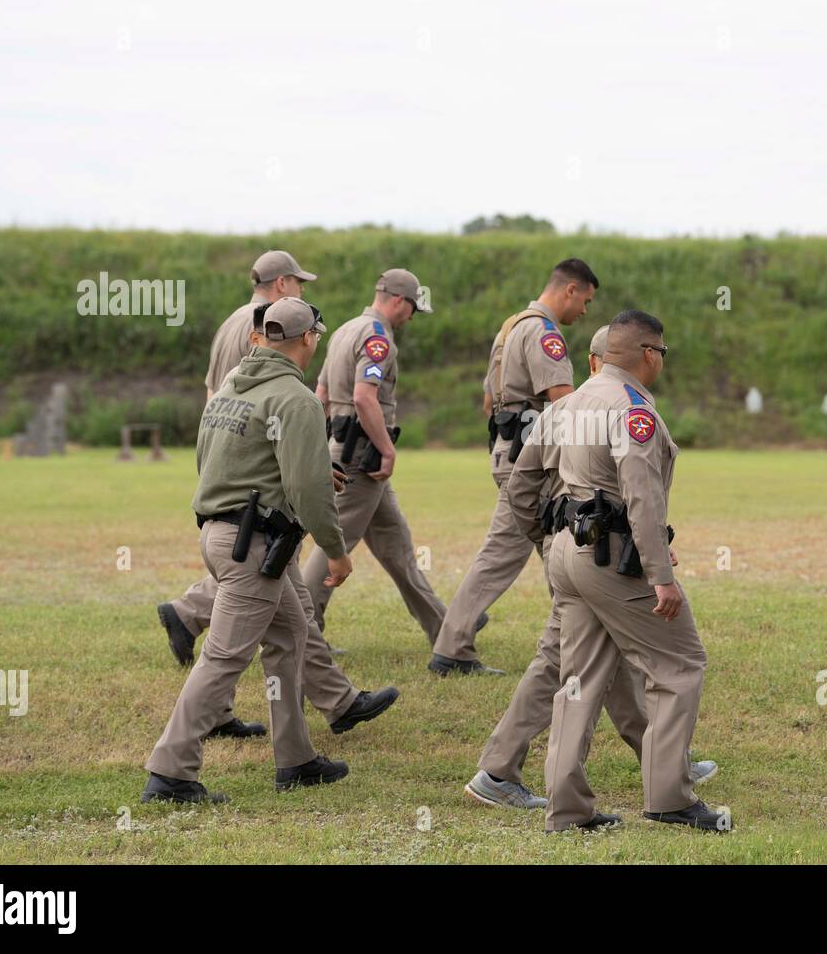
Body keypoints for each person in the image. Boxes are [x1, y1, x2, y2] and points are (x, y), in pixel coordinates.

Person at [464, 325, 717, 810]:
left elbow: (520, 488)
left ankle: (559, 802)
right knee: (679, 665)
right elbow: (641, 496)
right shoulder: (631, 409)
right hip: (609, 559)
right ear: (648, 354)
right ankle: (670, 794)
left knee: (568, 671)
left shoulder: (563, 407)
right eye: (662, 351)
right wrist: (659, 572)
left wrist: (549, 537)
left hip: (568, 552)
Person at [143, 297, 354, 803]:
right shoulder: (296, 399)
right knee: (222, 658)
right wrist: (337, 550)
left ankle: (296, 759)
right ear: (309, 339)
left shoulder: (232, 386)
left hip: (223, 536)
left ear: (262, 336)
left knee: (290, 636)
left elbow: (218, 458)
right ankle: (170, 773)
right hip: (256, 546)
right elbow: (308, 492)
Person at [428, 259, 598, 676]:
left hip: (510, 450)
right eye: (587, 300)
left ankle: (576, 637)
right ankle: (452, 649)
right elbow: (562, 402)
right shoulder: (544, 333)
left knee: (550, 546)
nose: (586, 312)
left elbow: (489, 402)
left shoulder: (510, 328)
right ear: (570, 290)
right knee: (508, 553)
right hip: (534, 461)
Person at [301, 269, 457, 645]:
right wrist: (387, 449)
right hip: (362, 458)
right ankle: (303, 629)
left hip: (346, 450)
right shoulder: (377, 339)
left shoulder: (343, 331)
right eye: (413, 309)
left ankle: (446, 628)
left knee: (396, 544)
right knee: (335, 544)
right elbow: (363, 396)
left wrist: (322, 446)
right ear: (399, 301)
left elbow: (320, 394)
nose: (411, 317)